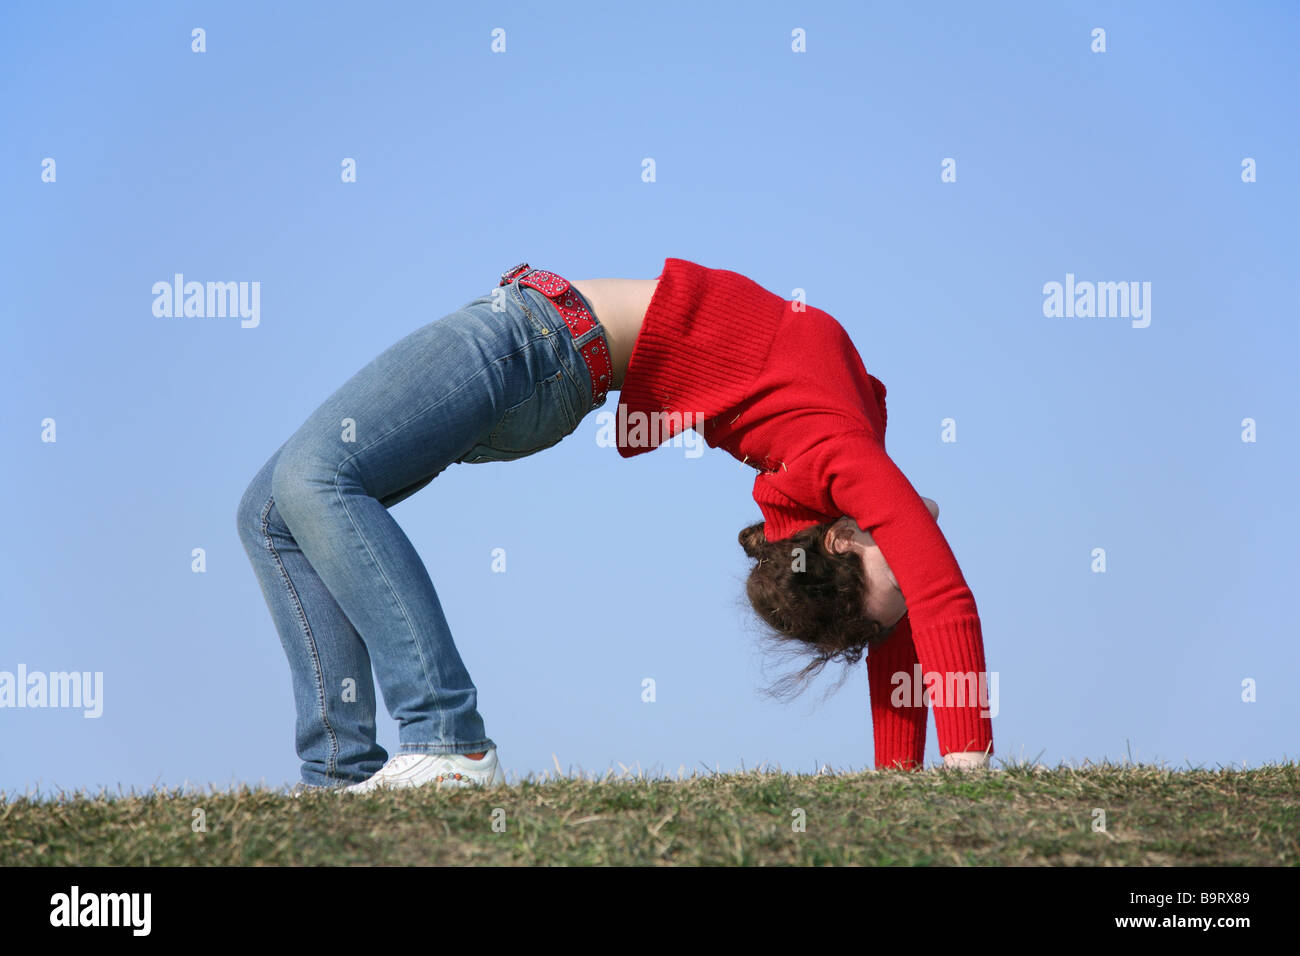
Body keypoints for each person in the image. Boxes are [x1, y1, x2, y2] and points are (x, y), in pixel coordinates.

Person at [236, 259, 992, 794]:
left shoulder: (840, 453)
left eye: (904, 558)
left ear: (843, 541)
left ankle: (446, 741)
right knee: (269, 513)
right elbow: (909, 629)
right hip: (544, 356)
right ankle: (339, 774)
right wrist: (904, 784)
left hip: (536, 345)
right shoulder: (841, 448)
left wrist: (964, 774)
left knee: (315, 477)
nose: (923, 541)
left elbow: (940, 598)